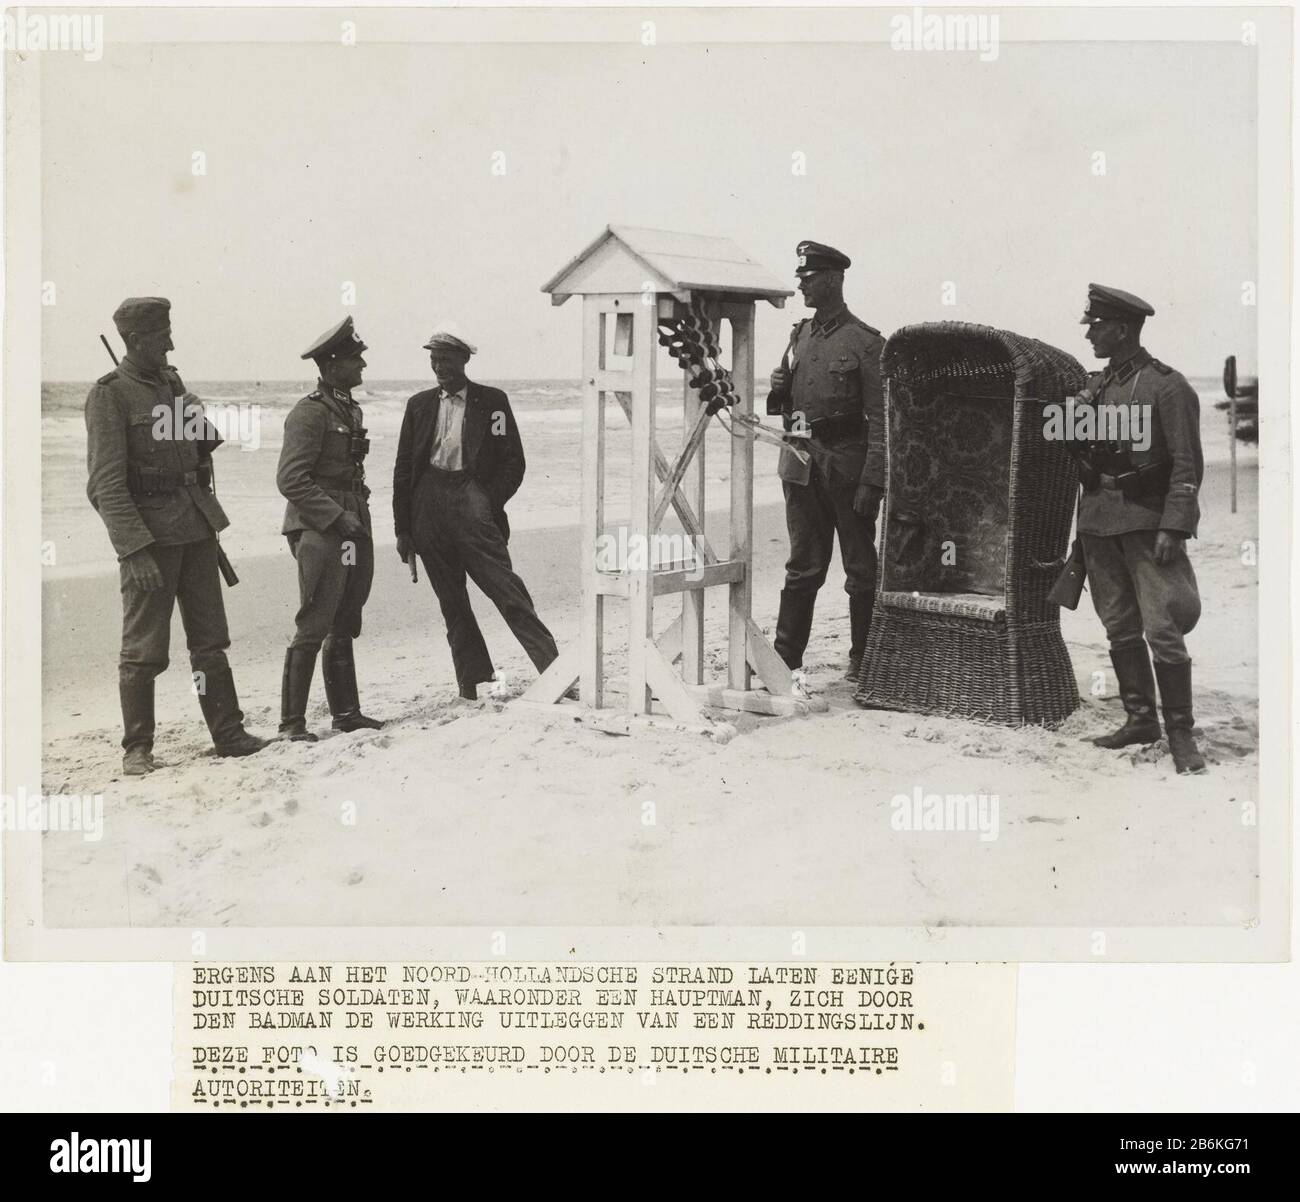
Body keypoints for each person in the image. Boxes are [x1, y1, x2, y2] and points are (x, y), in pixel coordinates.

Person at [85, 296, 268, 774]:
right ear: (135, 340)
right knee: (144, 647)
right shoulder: (110, 394)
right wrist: (134, 549)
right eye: (162, 335)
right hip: (152, 537)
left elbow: (202, 448)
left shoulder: (171, 383)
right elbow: (105, 483)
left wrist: (194, 413)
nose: (171, 342)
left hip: (196, 528)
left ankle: (228, 734)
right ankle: (137, 748)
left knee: (210, 641)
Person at [1071, 283, 1206, 774]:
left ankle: (1181, 734)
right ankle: (1140, 719)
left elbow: (1187, 466)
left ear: (1122, 329)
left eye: (1098, 327)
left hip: (1148, 524)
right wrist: (1075, 407)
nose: (1090, 336)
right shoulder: (1097, 387)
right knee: (1119, 626)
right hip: (1099, 522)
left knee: (1163, 627)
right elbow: (1068, 441)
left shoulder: (1167, 386)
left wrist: (1175, 526)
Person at [392, 327, 561, 699]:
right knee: (452, 604)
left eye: (447, 360)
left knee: (509, 593)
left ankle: (555, 673)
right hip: (428, 510)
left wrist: (486, 501)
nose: (440, 367)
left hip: (473, 505)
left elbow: (513, 462)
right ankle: (474, 684)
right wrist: (403, 529)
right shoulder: (418, 405)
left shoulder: (493, 402)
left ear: (464, 361)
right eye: (434, 360)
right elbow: (404, 469)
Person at [765, 240, 886, 680]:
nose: (802, 287)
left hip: (848, 470)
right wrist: (778, 387)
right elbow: (783, 406)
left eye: (809, 279)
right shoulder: (798, 335)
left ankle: (864, 660)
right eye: (800, 279)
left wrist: (874, 481)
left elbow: (882, 419)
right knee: (803, 566)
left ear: (833, 280)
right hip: (801, 466)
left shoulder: (866, 343)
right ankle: (785, 661)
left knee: (859, 569)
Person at [276, 316, 383, 740]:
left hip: (353, 523)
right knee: (314, 621)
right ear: (334, 364)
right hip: (321, 528)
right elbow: (291, 479)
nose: (362, 367)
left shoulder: (348, 409)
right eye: (356, 360)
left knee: (346, 616)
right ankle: (291, 725)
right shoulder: (310, 413)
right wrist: (338, 517)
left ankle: (347, 714)